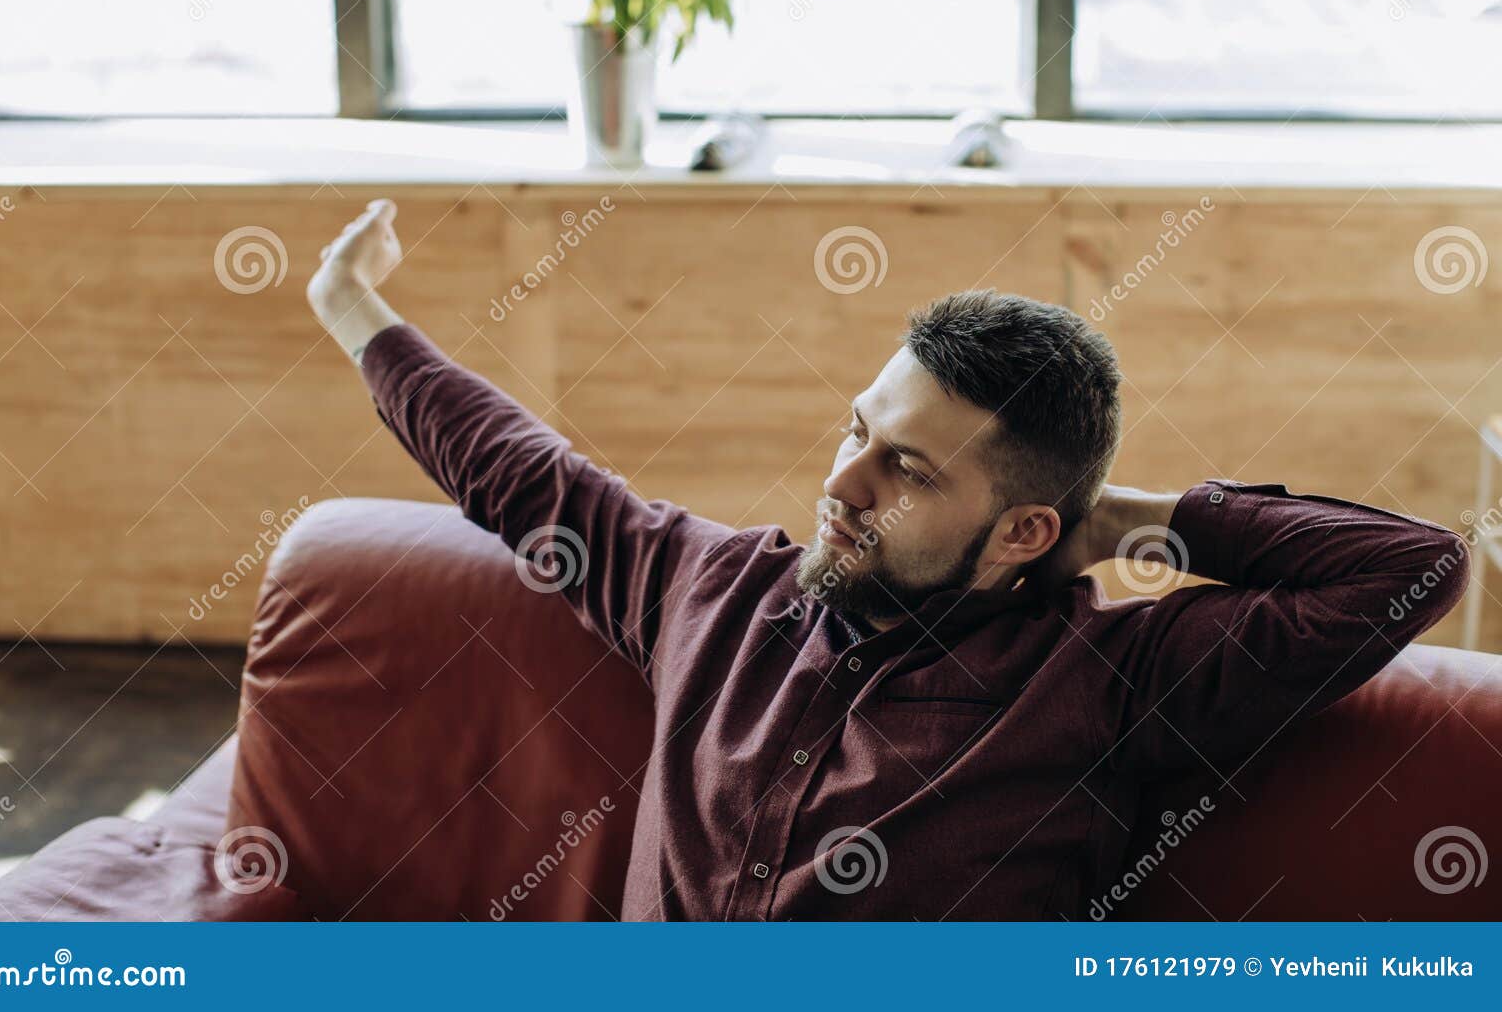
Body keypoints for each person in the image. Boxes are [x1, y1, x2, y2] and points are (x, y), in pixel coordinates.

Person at [306, 199, 1470, 920]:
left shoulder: (1108, 680)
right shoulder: (706, 588)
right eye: (856, 430)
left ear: (1023, 534)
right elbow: (521, 475)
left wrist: (1116, 520)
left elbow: (1408, 569)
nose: (842, 485)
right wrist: (354, 309)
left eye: (908, 471)